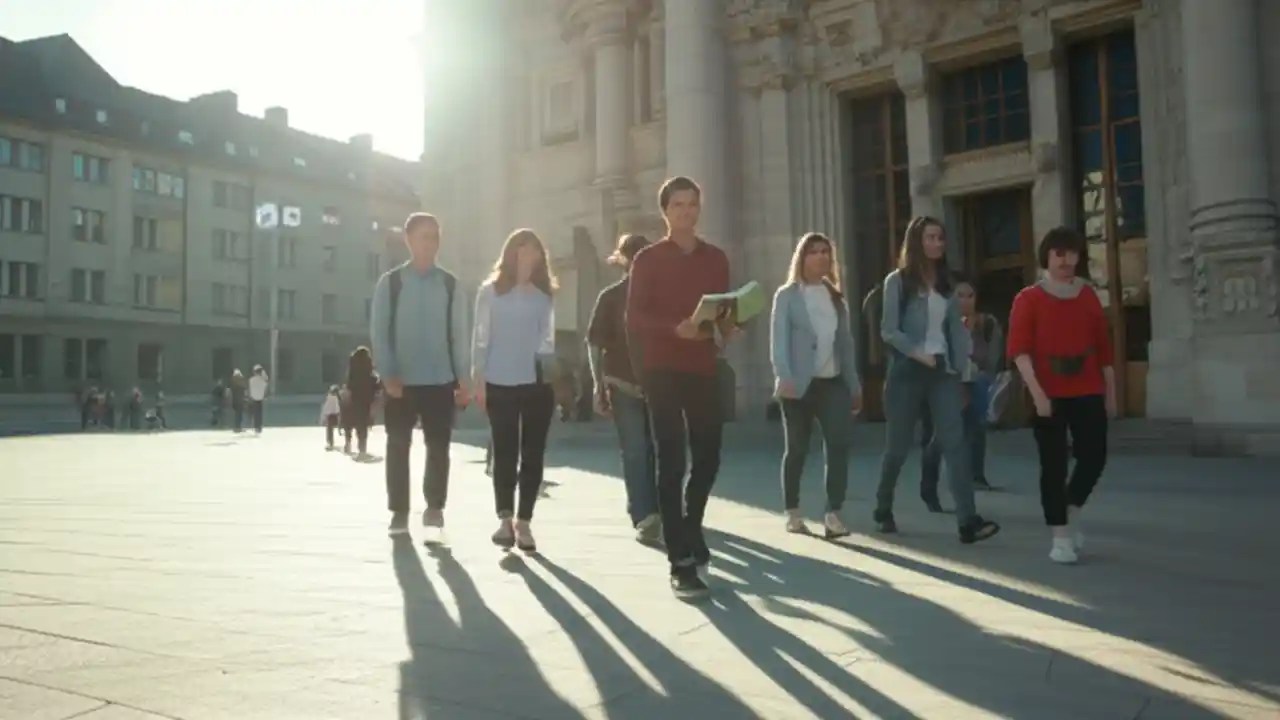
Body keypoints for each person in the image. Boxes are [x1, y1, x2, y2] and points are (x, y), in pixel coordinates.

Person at [626, 176, 742, 599]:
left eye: (692, 204)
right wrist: (675, 329)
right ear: (665, 212)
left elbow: (724, 310)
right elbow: (634, 319)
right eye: (678, 205)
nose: (686, 211)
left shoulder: (715, 258)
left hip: (703, 367)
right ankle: (680, 560)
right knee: (672, 458)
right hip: (662, 369)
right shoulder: (648, 259)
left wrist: (730, 326)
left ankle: (691, 525)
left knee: (709, 455)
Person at [875, 216, 999, 544]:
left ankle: (967, 521)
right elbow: (888, 330)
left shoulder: (947, 284)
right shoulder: (897, 282)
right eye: (930, 238)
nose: (936, 244)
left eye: (940, 238)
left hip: (942, 371)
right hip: (907, 371)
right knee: (898, 446)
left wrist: (961, 375)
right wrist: (917, 352)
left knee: (955, 442)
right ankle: (883, 505)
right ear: (916, 242)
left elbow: (957, 332)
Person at [1008, 226, 1116, 564]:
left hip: (1087, 388)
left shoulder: (1087, 296)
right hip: (1048, 392)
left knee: (1094, 455)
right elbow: (1020, 351)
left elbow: (1104, 350)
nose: (1066, 260)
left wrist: (1110, 393)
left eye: (1071, 253)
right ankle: (1060, 535)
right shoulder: (1028, 298)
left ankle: (1071, 509)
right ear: (1047, 257)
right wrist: (1037, 394)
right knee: (1052, 464)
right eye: (1059, 254)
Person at [370, 212, 470, 539]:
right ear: (409, 240)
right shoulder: (392, 283)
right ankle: (399, 512)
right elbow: (379, 332)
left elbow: (459, 334)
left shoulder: (451, 285)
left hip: (440, 379)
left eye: (435, 237)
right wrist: (387, 373)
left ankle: (434, 506)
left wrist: (463, 380)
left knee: (438, 446)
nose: (431, 243)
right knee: (398, 444)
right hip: (401, 381)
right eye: (425, 236)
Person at [770, 232, 862, 538]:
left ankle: (833, 512)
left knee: (839, 444)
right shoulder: (787, 295)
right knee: (796, 448)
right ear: (802, 258)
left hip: (832, 382)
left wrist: (854, 384)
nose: (821, 257)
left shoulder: (836, 298)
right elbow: (779, 342)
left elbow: (845, 345)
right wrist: (784, 376)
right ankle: (793, 510)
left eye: (826, 252)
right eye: (814, 252)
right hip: (798, 384)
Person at [472, 228, 558, 553]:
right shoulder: (490, 292)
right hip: (499, 381)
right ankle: (504, 520)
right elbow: (480, 339)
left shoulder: (544, 296)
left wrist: (554, 378)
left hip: (537, 384)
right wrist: (477, 377)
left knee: (533, 454)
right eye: (522, 251)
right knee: (505, 452)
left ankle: (525, 522)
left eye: (534, 252)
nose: (528, 257)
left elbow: (548, 342)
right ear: (511, 254)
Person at [586, 233, 660, 545]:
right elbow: (594, 343)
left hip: (655, 383)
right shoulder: (611, 297)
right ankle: (645, 513)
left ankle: (651, 509)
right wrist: (597, 383)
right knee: (637, 450)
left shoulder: (660, 297)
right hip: (623, 382)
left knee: (650, 451)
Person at [920, 273, 1003, 510]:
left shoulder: (987, 324)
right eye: (960, 295)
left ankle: (975, 476)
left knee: (975, 430)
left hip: (976, 382)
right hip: (946, 384)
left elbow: (991, 358)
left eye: (970, 295)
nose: (966, 300)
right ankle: (929, 487)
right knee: (939, 438)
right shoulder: (941, 323)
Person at [343, 346, 380, 458]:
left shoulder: (352, 371)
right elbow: (376, 387)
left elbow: (348, 385)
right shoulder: (370, 373)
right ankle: (362, 448)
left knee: (348, 422)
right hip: (366, 401)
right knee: (362, 425)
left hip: (353, 400)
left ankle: (348, 442)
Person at [248, 365, 269, 434]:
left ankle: (256, 426)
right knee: (259, 414)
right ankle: (259, 427)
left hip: (253, 398)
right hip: (260, 398)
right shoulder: (262, 380)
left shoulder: (251, 380)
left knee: (255, 413)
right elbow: (266, 382)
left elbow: (250, 389)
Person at [320, 385, 342, 450]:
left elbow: (325, 408)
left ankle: (330, 443)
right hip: (335, 414)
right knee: (331, 429)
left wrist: (322, 417)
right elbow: (337, 407)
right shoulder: (337, 398)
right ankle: (331, 442)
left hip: (330, 415)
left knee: (329, 430)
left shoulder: (329, 398)